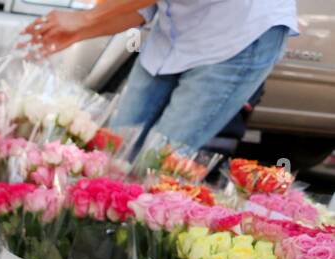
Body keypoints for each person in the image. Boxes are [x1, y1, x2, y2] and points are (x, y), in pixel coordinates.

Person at [23, 0, 298, 152]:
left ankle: (133, 250)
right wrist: (78, 32)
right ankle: (95, 245)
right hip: (176, 36)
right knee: (113, 151)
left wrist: (85, 18)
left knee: (160, 159)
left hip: (238, 36)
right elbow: (141, 9)